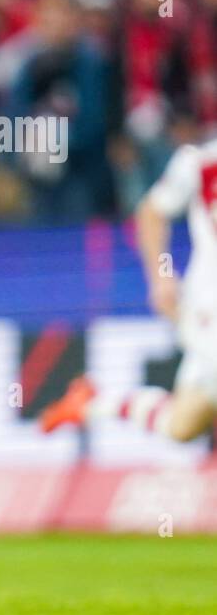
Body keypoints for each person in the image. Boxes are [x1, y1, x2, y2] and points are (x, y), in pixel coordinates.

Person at [41, 138, 217, 443]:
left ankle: (92, 403)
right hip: (208, 310)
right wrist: (161, 275)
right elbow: (151, 212)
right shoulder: (202, 161)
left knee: (182, 424)